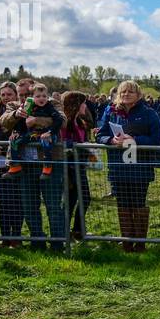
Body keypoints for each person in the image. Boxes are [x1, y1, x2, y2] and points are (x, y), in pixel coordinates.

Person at [96, 81, 160, 252]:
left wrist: (136, 141)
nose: (126, 94)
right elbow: (100, 135)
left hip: (140, 168)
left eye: (130, 92)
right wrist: (111, 140)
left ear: (138, 94)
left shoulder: (149, 114)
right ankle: (127, 241)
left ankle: (140, 243)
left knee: (138, 203)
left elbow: (157, 140)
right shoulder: (110, 111)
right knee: (123, 203)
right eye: (123, 91)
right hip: (118, 167)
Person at [0, 82, 25, 247]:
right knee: (3, 199)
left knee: (17, 199)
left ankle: (16, 236)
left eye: (9, 94)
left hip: (15, 160)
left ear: (15, 95)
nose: (6, 97)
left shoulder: (20, 112)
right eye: (3, 94)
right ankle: (4, 236)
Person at [3, 83, 62, 178]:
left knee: (45, 141)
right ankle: (15, 166)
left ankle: (47, 167)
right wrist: (17, 132)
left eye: (44, 96)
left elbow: (60, 120)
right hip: (34, 134)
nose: (41, 98)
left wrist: (49, 132)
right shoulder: (28, 106)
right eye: (38, 96)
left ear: (48, 97)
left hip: (47, 134)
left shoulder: (50, 106)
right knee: (15, 141)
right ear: (32, 97)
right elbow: (21, 122)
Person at [60, 91, 95, 240]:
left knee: (81, 198)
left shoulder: (79, 122)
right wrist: (78, 145)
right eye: (83, 103)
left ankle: (75, 230)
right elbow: (62, 143)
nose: (85, 106)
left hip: (79, 165)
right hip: (69, 167)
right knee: (73, 199)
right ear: (75, 105)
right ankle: (68, 231)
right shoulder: (65, 123)